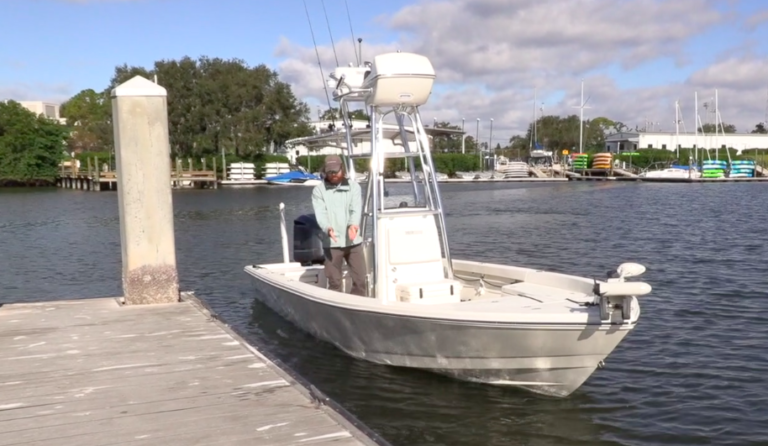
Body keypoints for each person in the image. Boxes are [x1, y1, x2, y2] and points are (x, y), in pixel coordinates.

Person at [311, 155, 367, 296]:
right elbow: (321, 213)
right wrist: (327, 228)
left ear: (342, 169)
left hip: (353, 241)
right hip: (332, 242)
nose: (333, 175)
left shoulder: (354, 187)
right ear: (325, 171)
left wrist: (353, 225)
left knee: (360, 281)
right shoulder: (318, 191)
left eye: (336, 171)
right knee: (335, 282)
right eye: (330, 172)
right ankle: (335, 311)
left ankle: (357, 308)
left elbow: (356, 209)